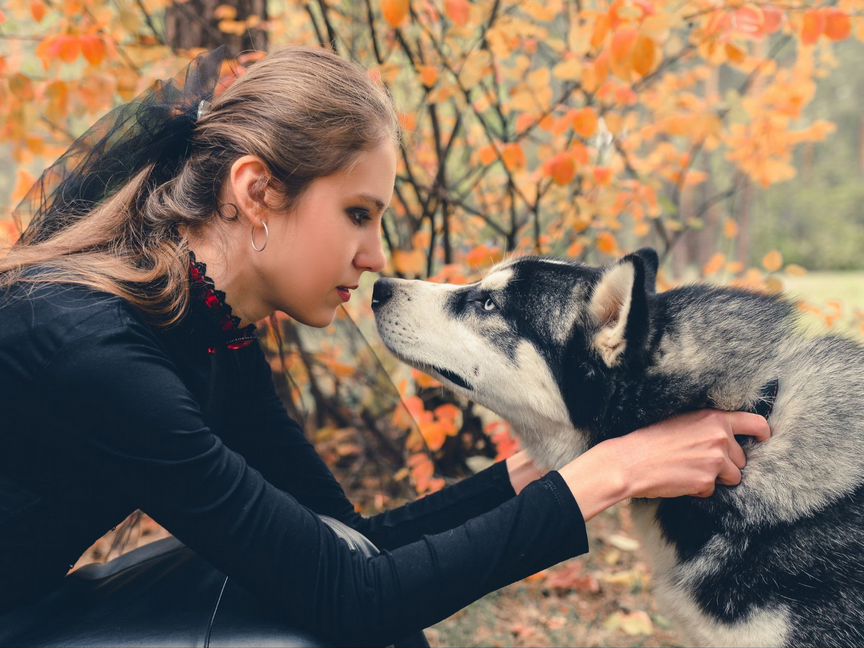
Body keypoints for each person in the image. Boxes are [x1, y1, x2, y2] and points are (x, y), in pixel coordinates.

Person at [0, 46, 770, 646]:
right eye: (358, 213)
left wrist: (548, 465)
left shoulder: (204, 331)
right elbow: (350, 599)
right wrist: (608, 476)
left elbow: (351, 550)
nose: (374, 256)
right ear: (256, 191)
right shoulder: (92, 347)